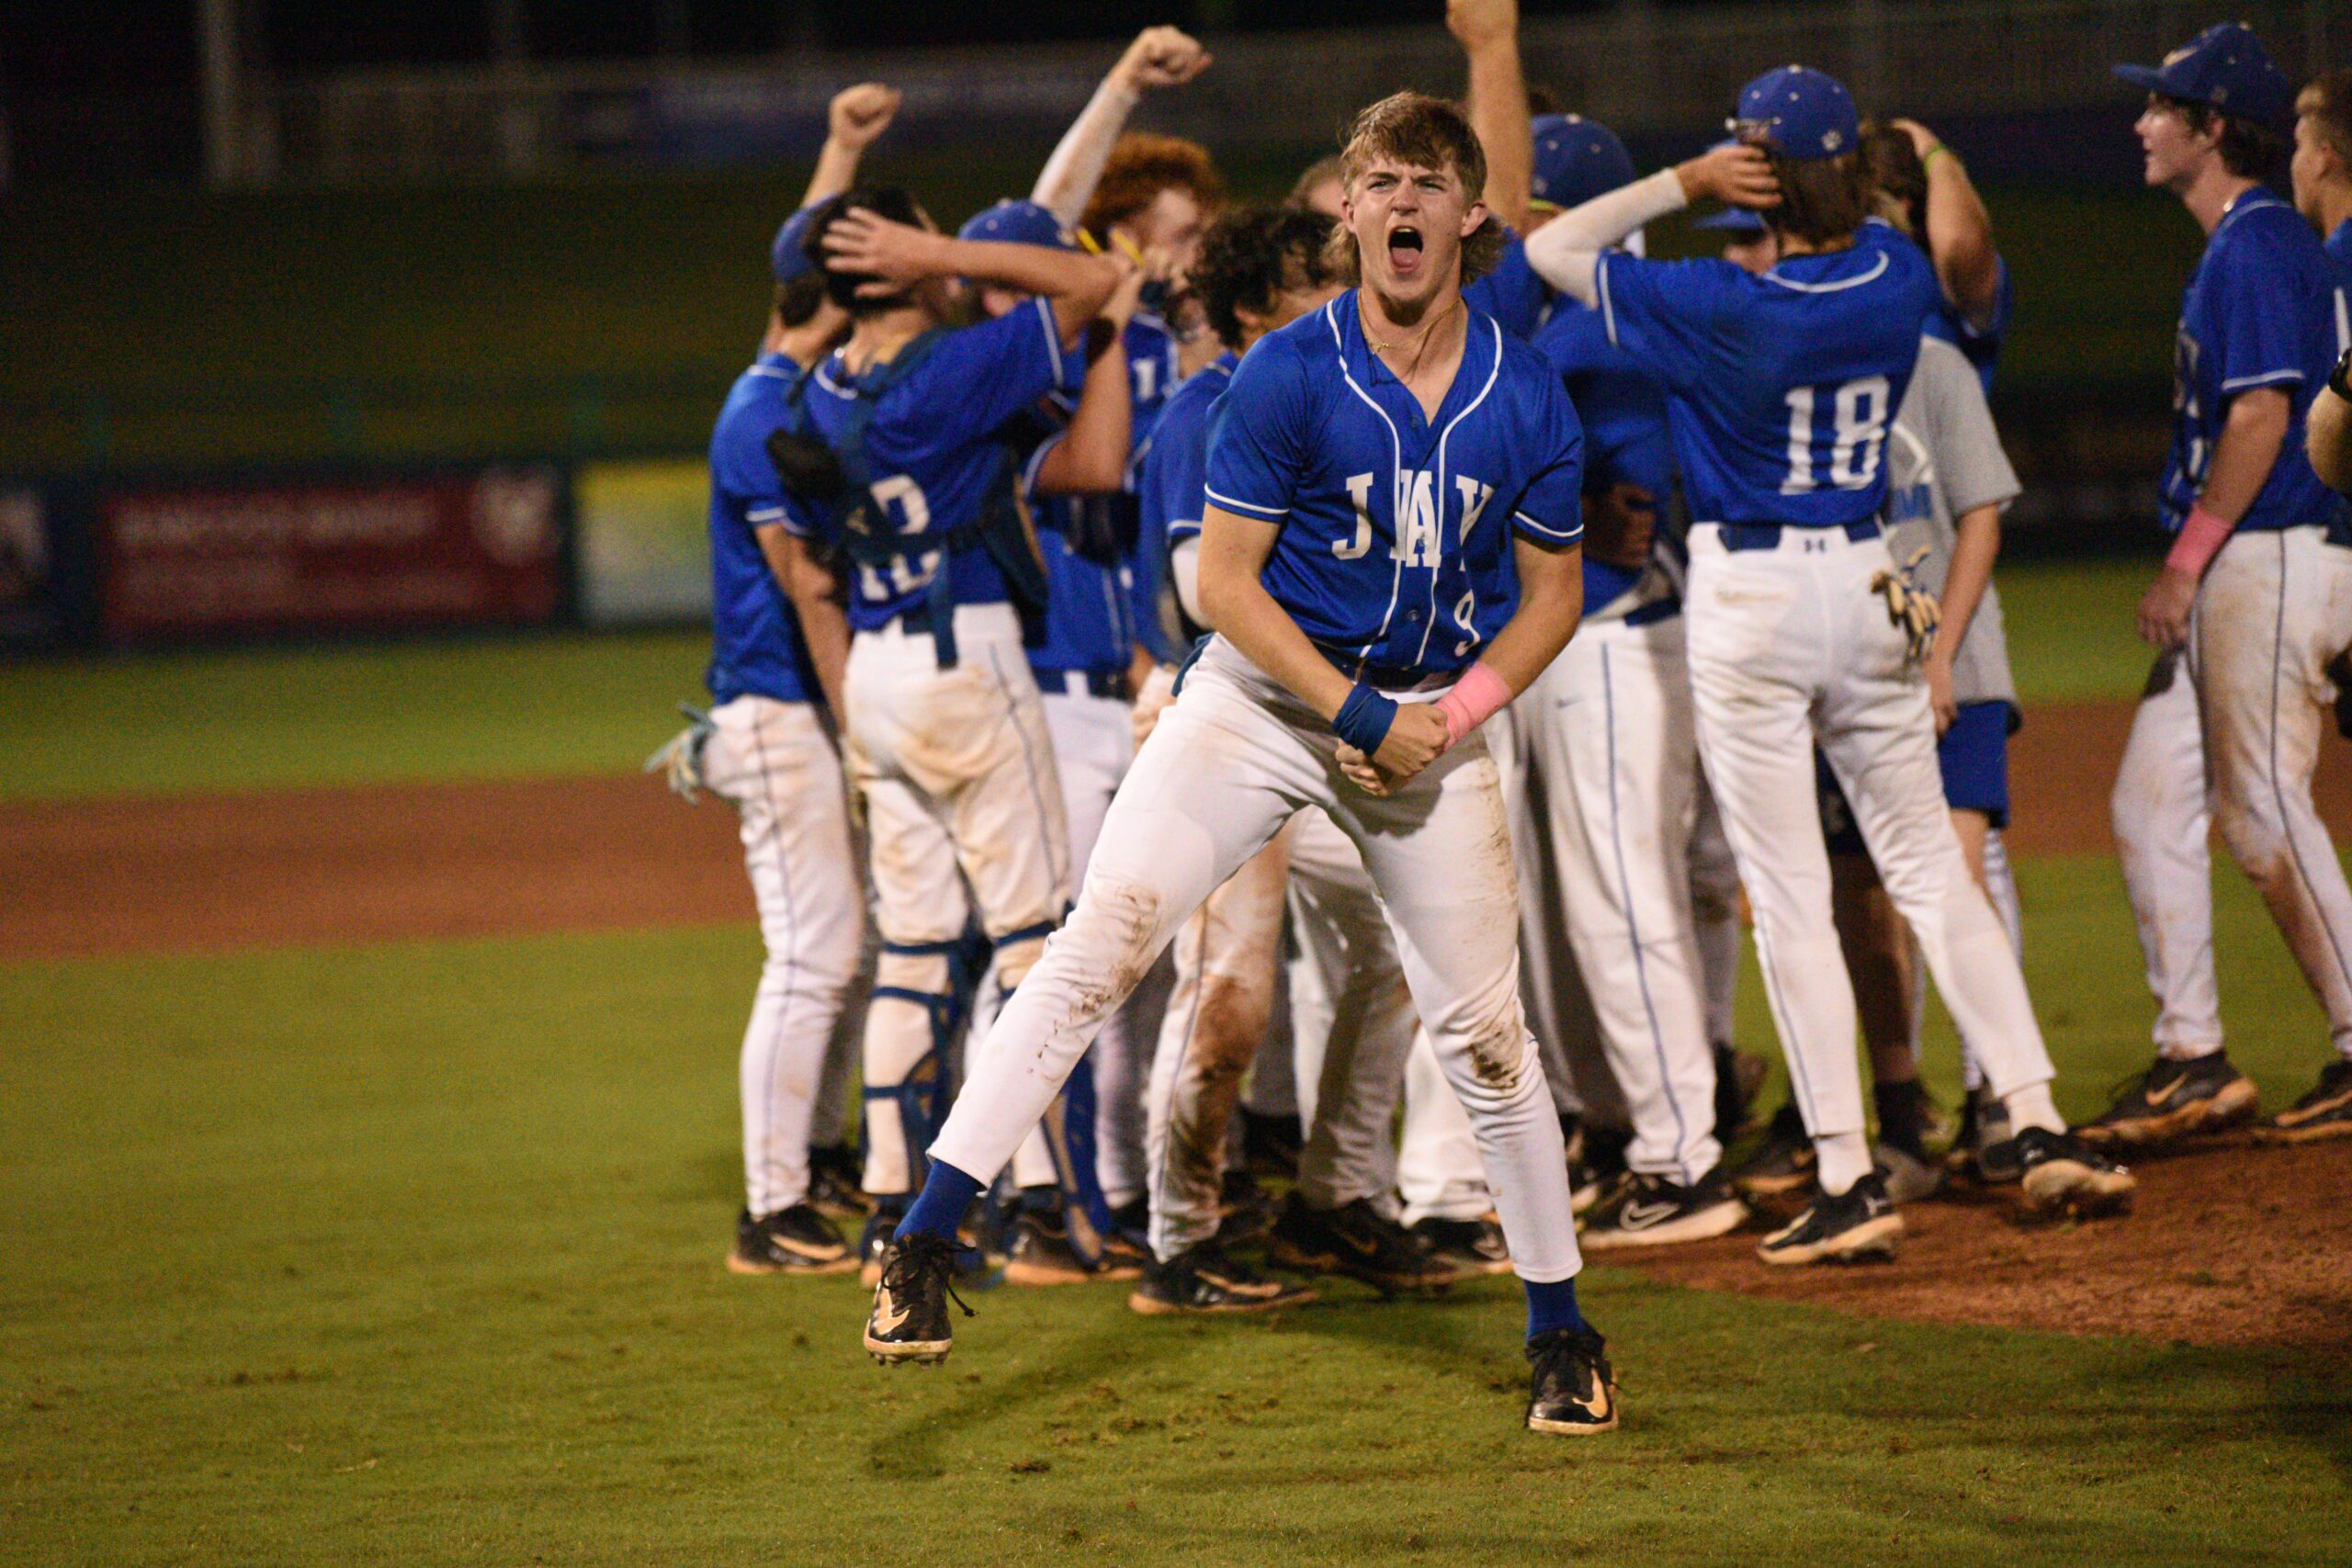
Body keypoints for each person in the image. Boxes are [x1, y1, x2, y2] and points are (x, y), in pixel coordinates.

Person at [868, 91, 1623, 1438]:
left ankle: (1562, 1328)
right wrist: (1355, 712)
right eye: (1374, 177)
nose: (1397, 201)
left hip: (1426, 721)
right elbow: (1224, 586)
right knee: (1103, 939)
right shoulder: (1286, 370)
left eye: (1424, 181)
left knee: (1486, 1038)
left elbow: (1554, 583)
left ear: (1467, 216)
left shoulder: (1525, 388)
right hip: (1266, 704)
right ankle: (924, 1237)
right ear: (1346, 206)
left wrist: (1465, 708)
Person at [1526, 65, 2135, 1265]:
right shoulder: (1894, 278)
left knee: (1790, 896)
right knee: (1932, 872)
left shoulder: (1717, 299)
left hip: (1751, 594)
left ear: (1759, 175)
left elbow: (1553, 255)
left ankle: (1850, 1173)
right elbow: (1912, 238)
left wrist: (1685, 180)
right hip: (1867, 581)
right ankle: (2037, 1114)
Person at [766, 187, 1119, 1271]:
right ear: (897, 257)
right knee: (1032, 943)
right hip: (965, 658)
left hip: (876, 666)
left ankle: (886, 1201)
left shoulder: (820, 390)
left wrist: (893, 262)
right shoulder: (953, 370)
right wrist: (941, 248)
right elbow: (1098, 282)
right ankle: (1040, 1202)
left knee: (914, 951)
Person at [645, 83, 897, 1275]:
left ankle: (822, 1156)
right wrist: (864, 732)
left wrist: (843, 145)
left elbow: (801, 269)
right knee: (815, 955)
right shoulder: (765, 415)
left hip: (796, 710)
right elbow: (806, 587)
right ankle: (771, 1205)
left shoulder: (777, 380)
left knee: (847, 953)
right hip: (781, 712)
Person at [2088, 25, 2352, 1149]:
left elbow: (2260, 416)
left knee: (2261, 812)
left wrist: (2186, 561)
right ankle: (2193, 1056)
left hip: (2270, 551)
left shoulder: (2253, 242)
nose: (2142, 123)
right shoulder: (2254, 242)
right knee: (2151, 800)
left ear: (2210, 130)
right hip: (2259, 555)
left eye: (2162, 108)